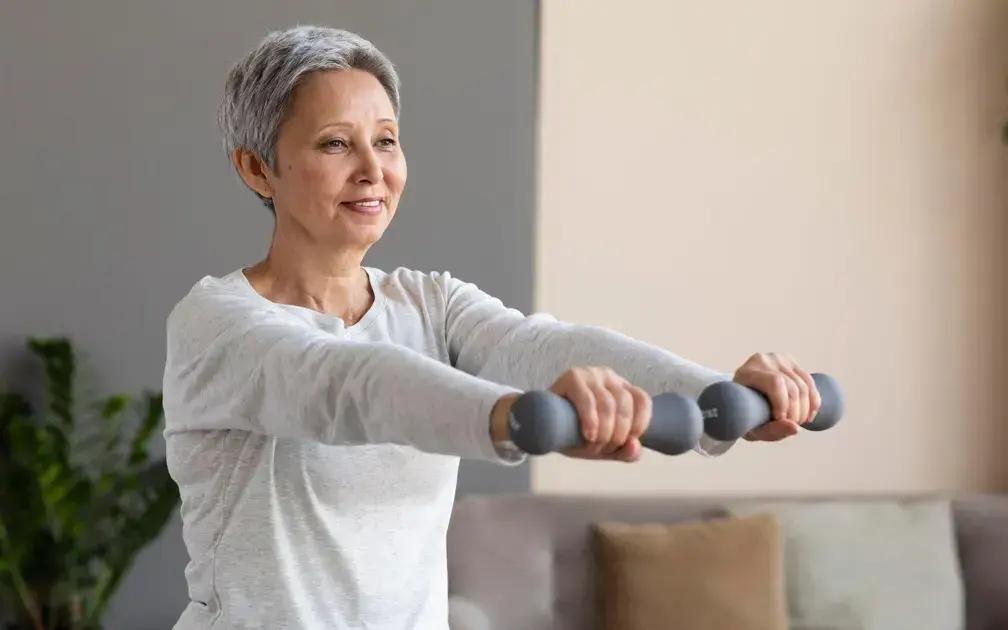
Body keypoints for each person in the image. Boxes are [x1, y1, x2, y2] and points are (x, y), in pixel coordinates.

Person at [162, 25, 823, 629]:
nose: (373, 169)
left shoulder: (430, 303)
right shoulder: (219, 325)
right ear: (256, 168)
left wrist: (718, 397)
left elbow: (545, 345)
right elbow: (350, 384)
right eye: (336, 143)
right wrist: (518, 417)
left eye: (386, 139)